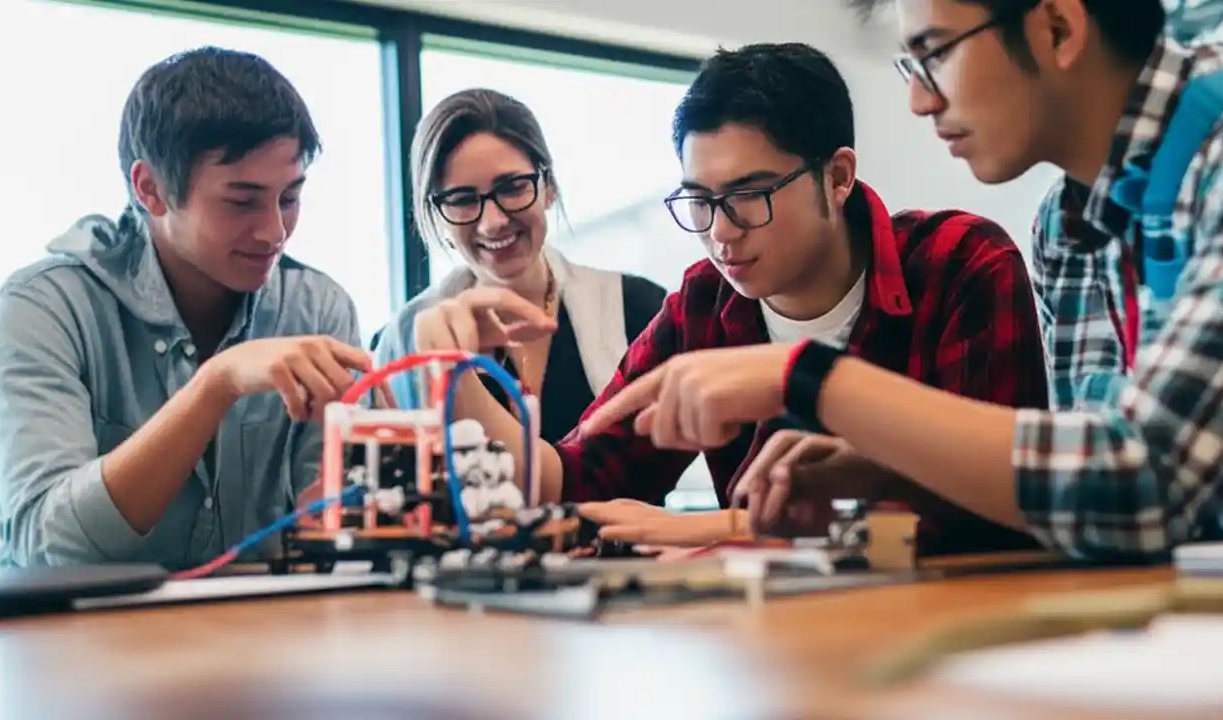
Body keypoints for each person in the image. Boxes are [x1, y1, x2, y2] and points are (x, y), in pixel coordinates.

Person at [582, 0, 1223, 560]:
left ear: (1057, 27)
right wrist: (879, 473)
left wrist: (808, 377)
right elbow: (1082, 492)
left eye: (935, 53)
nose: (918, 99)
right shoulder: (1069, 222)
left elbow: (1140, 491)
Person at [412, 43, 1051, 556]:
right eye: (700, 200)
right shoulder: (705, 303)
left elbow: (993, 513)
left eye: (749, 195)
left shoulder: (960, 263)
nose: (719, 231)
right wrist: (452, 371)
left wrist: (728, 529)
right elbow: (573, 481)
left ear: (837, 177)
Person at [0, 47, 371, 569]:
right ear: (151, 189)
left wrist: (352, 494)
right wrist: (215, 385)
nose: (275, 232)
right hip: (79, 642)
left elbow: (333, 537)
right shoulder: (45, 307)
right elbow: (46, 546)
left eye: (289, 198)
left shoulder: (318, 309)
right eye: (242, 200)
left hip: (267, 635)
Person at [372, 88, 666, 444]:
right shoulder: (403, 338)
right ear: (437, 217)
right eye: (462, 199)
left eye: (512, 187)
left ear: (549, 186)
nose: (493, 222)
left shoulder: (639, 310)